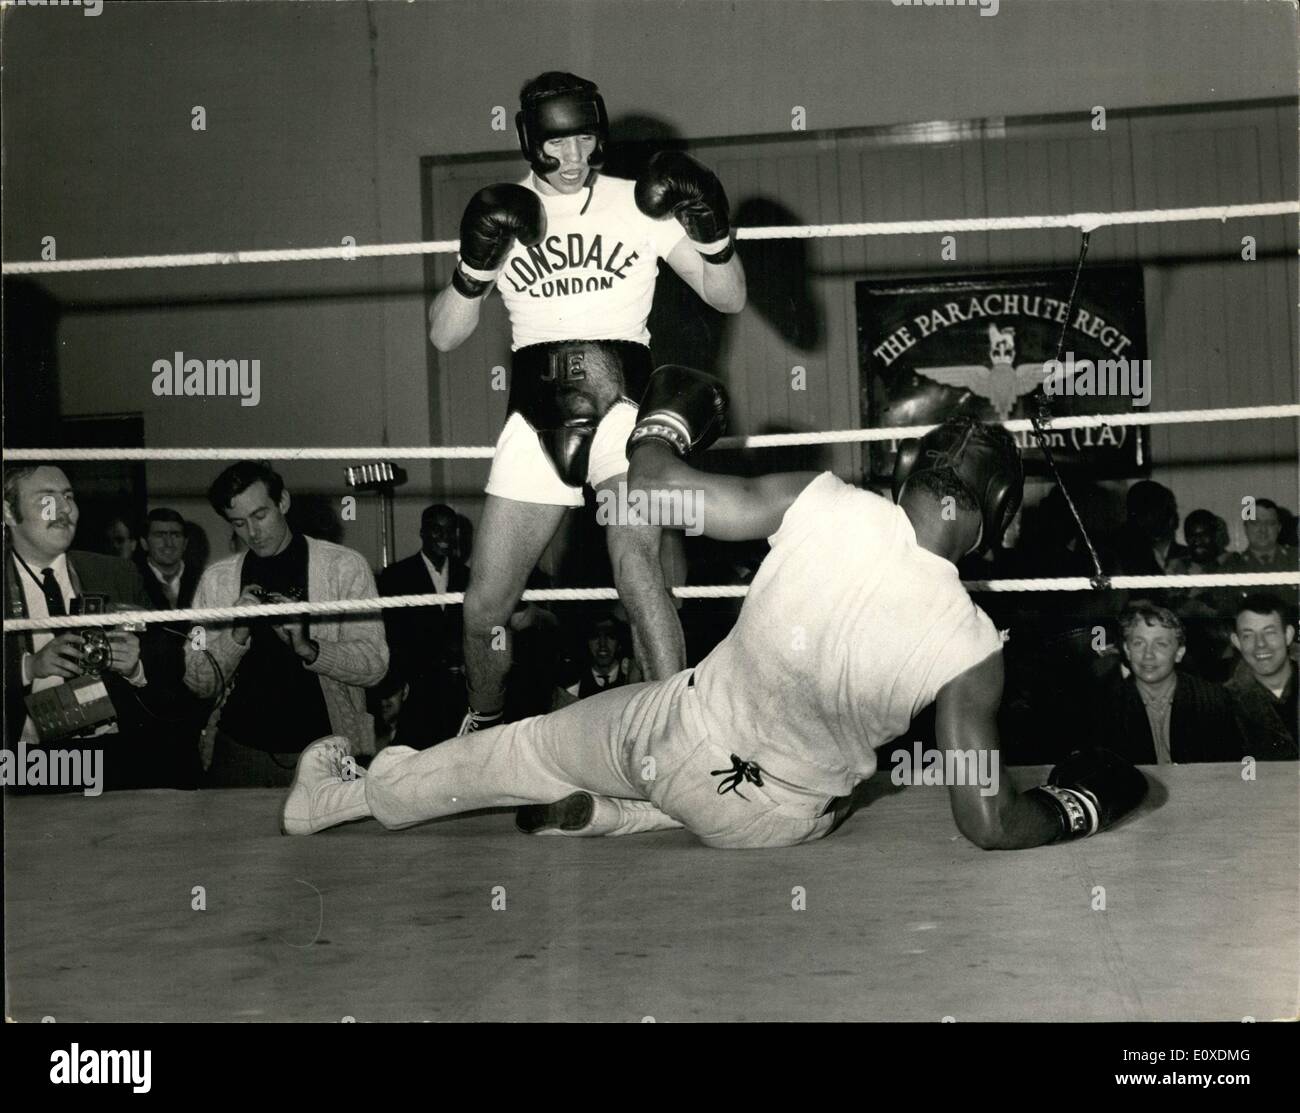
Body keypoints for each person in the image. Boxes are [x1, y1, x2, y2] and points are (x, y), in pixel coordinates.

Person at [281, 375, 1147, 852]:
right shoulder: (971, 647)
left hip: (675, 738)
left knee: (515, 750)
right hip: (778, 824)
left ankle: (339, 800)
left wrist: (663, 418)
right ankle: (614, 816)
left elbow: (652, 491)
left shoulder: (820, 497)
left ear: (916, 479)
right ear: (984, 517)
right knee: (837, 784)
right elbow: (988, 823)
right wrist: (1083, 805)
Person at [428, 71, 746, 734]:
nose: (573, 160)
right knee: (484, 605)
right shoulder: (503, 209)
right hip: (537, 414)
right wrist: (472, 261)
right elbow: (444, 333)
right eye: (557, 145)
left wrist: (714, 232)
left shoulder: (640, 204)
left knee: (638, 565)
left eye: (585, 141)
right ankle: (484, 726)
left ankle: (681, 728)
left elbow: (729, 295)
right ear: (527, 140)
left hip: (624, 402)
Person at [184, 462, 388, 787]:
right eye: (239, 523)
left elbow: (375, 665)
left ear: (283, 503)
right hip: (239, 753)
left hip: (327, 753)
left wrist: (310, 648)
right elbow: (198, 681)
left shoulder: (344, 568)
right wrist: (236, 636)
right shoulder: (217, 581)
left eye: (260, 515)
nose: (252, 532)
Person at [3, 465, 194, 790]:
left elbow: (171, 663)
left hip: (118, 758)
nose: (65, 510)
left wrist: (137, 666)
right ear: (8, 511)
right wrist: (27, 667)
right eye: (47, 499)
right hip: (27, 764)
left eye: (69, 497)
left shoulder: (117, 574)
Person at [1078, 602, 1243, 764]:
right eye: (1138, 643)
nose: (1148, 654)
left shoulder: (1214, 701)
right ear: (1127, 651)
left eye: (1160, 644)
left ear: (1179, 653)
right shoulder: (1102, 705)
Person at [376, 504, 470, 746]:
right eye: (437, 530)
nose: (444, 537)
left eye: (450, 530)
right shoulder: (395, 577)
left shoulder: (468, 576)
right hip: (416, 696)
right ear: (423, 532)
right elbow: (390, 637)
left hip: (460, 695)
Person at [1224, 594, 1298, 760]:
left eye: (1269, 633)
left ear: (1288, 635)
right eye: (1248, 635)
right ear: (1236, 642)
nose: (1260, 644)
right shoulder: (1223, 704)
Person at [135, 507, 201, 611]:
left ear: (185, 543)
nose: (169, 543)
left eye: (175, 535)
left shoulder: (202, 579)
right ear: (144, 543)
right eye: (160, 535)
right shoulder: (132, 580)